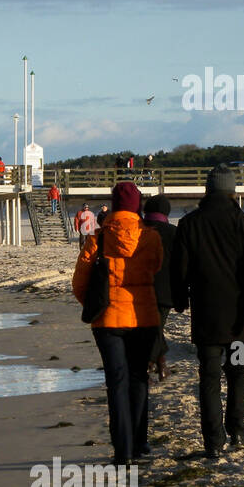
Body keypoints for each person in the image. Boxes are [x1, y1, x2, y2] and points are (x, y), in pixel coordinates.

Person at [171, 165, 244, 458]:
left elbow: (179, 270)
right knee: (237, 373)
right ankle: (237, 429)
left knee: (209, 378)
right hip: (237, 320)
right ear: (233, 191)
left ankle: (213, 441)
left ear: (208, 190)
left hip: (207, 319)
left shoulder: (189, 225)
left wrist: (180, 299)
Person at [72, 181, 163, 464]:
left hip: (108, 321)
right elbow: (158, 272)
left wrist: (97, 306)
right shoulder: (151, 238)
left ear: (112, 205)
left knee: (117, 383)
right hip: (144, 317)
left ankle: (122, 452)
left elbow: (79, 285)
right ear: (137, 207)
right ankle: (138, 444)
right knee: (139, 379)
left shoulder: (97, 239)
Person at [143, 195, 176, 381]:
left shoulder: (138, 230)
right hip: (166, 290)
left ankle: (152, 364)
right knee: (156, 328)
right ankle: (159, 365)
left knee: (152, 329)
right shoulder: (173, 232)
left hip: (141, 287)